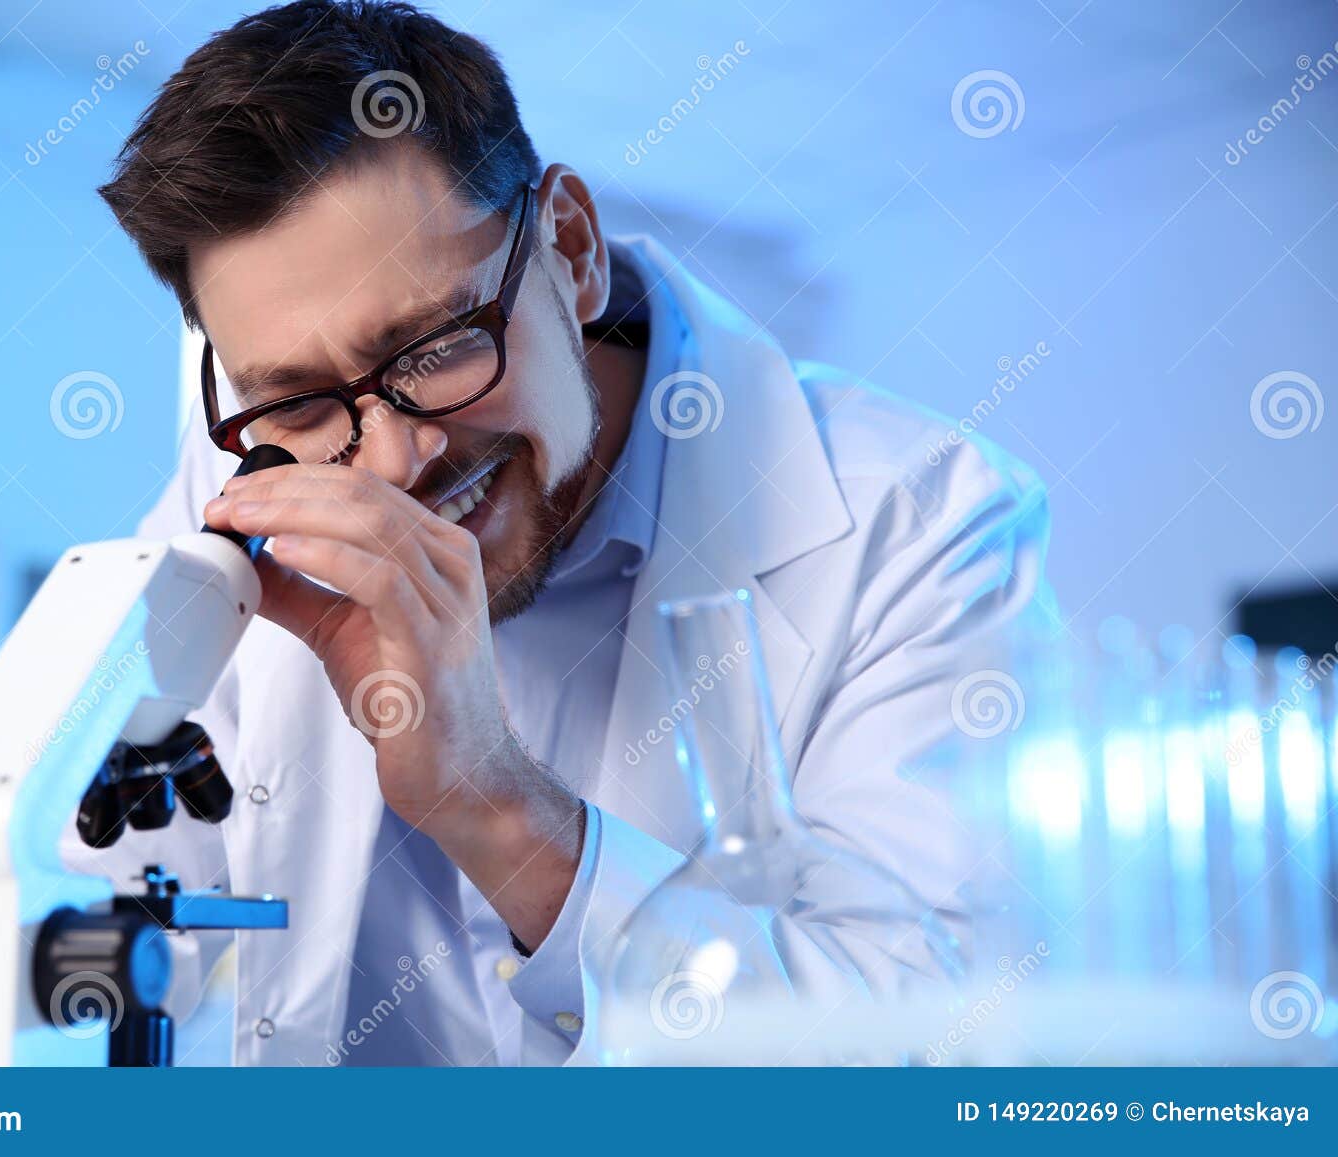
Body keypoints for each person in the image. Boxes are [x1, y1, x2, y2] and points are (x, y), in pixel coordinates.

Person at [72, 0, 1049, 1065]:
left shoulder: (916, 517)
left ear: (571, 251)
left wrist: (490, 796)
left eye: (436, 344)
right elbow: (105, 879)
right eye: (300, 399)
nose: (394, 464)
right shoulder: (249, 471)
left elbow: (937, 1048)